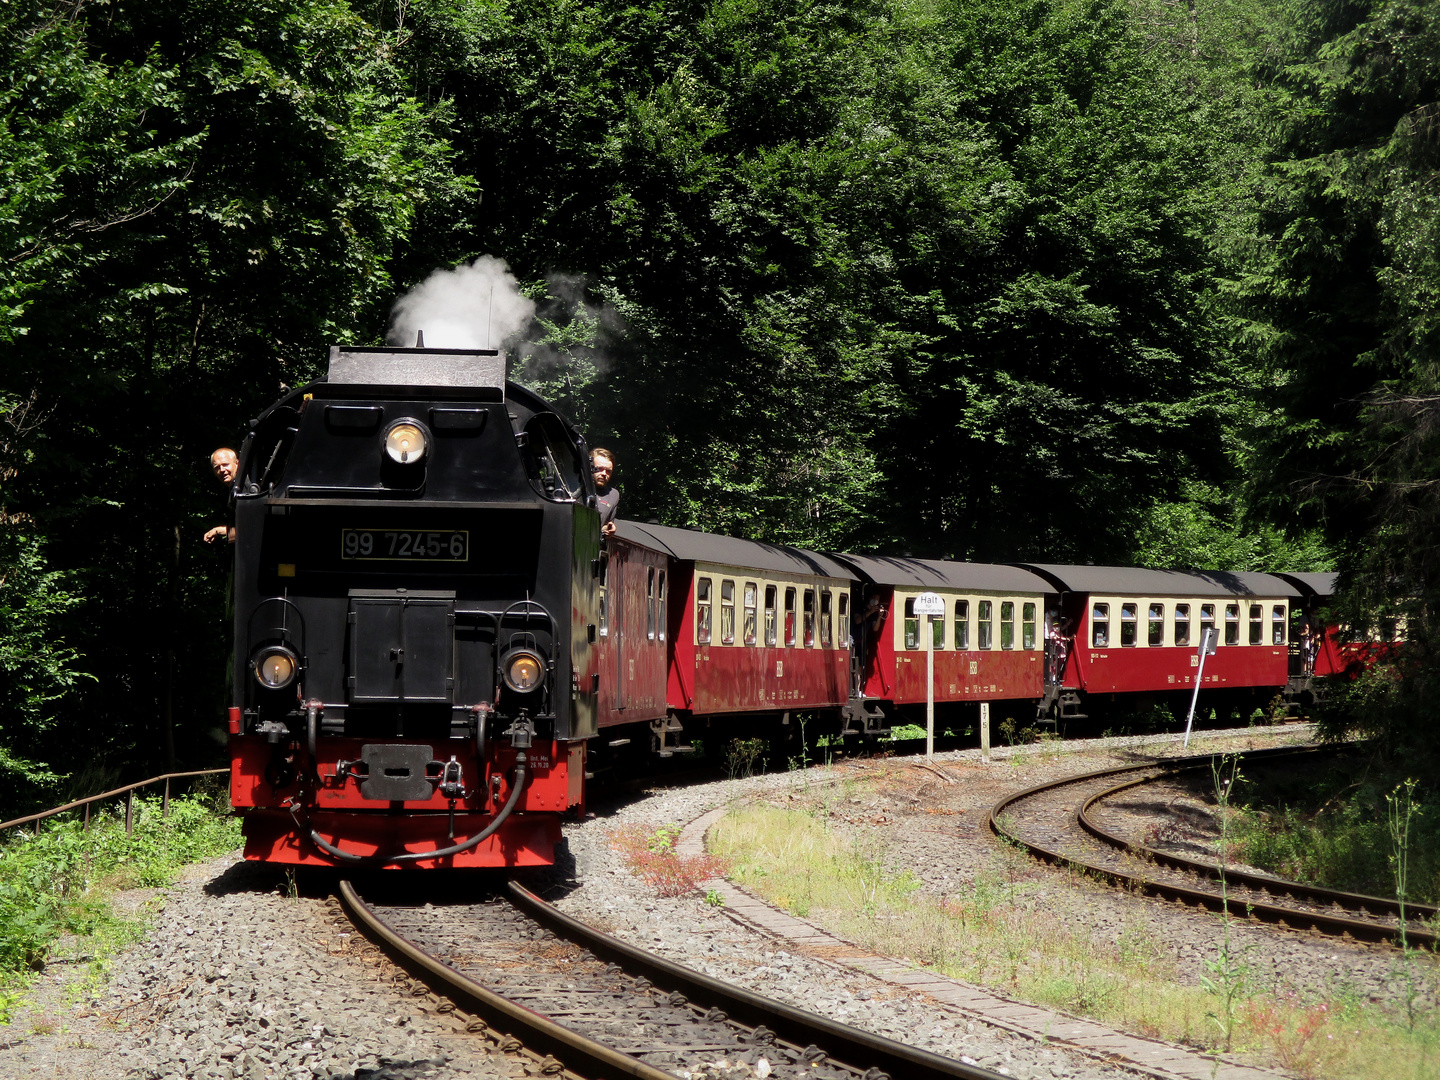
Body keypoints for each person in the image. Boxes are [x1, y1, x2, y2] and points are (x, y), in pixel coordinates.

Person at [204, 448, 239, 544]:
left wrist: (222, 530)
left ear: (237, 463)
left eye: (225, 465)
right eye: (217, 467)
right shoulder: (229, 491)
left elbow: (253, 529)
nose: (222, 470)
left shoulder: (247, 491)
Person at [592, 447, 619, 536]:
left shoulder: (613, 495)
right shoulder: (572, 488)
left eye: (608, 471)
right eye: (599, 469)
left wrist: (609, 529)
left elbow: (604, 526)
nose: (604, 474)